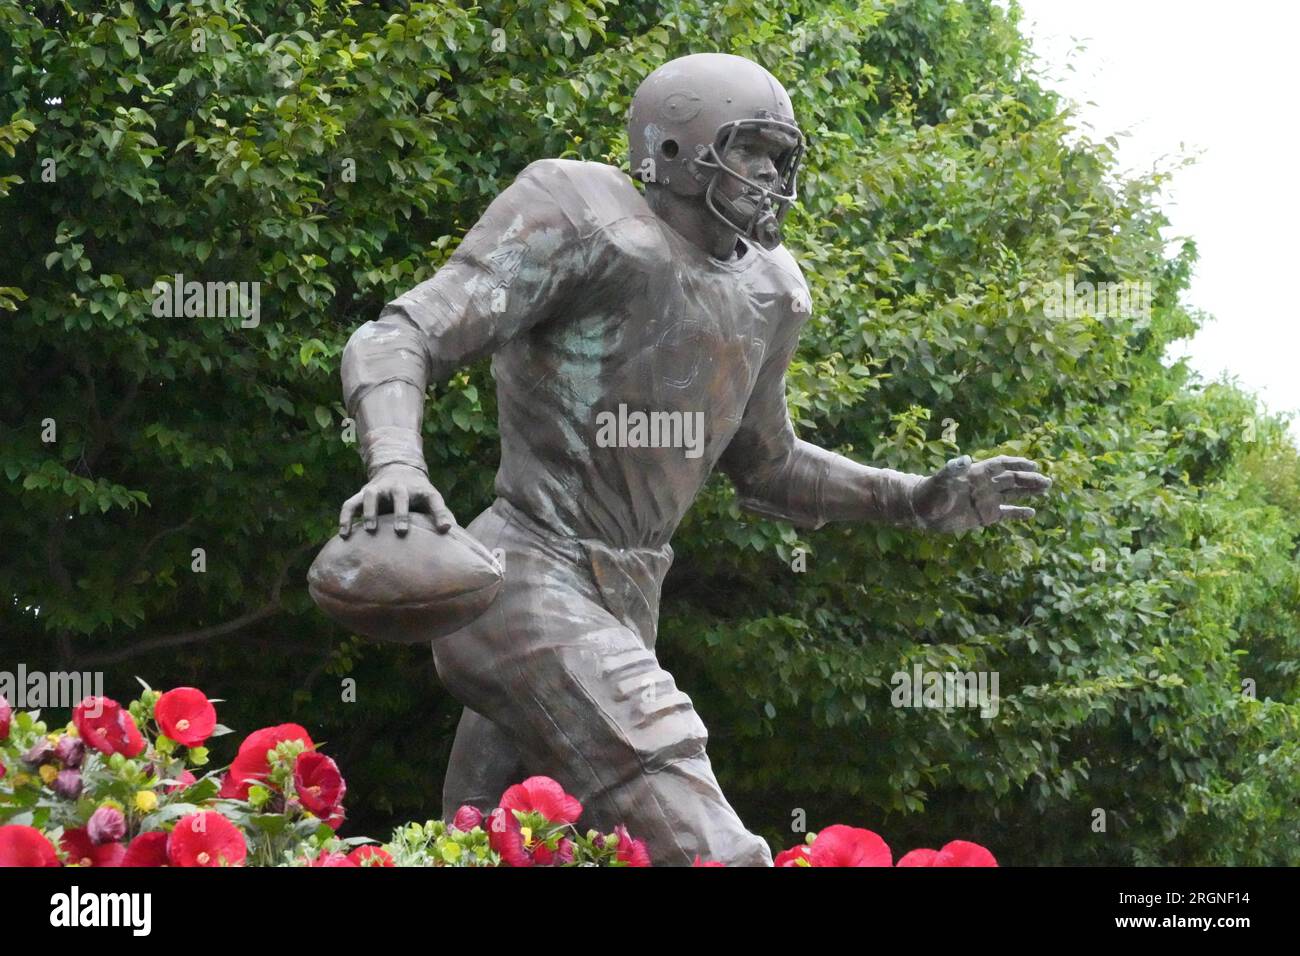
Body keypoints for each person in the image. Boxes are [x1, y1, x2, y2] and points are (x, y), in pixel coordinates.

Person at [335, 52, 1052, 865]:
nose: (773, 175)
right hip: (523, 569)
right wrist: (397, 465)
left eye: (784, 157)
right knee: (687, 808)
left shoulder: (768, 290)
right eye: (753, 150)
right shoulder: (582, 218)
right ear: (674, 150)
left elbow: (771, 465)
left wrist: (913, 496)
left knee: (489, 840)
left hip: (628, 598)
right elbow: (401, 334)